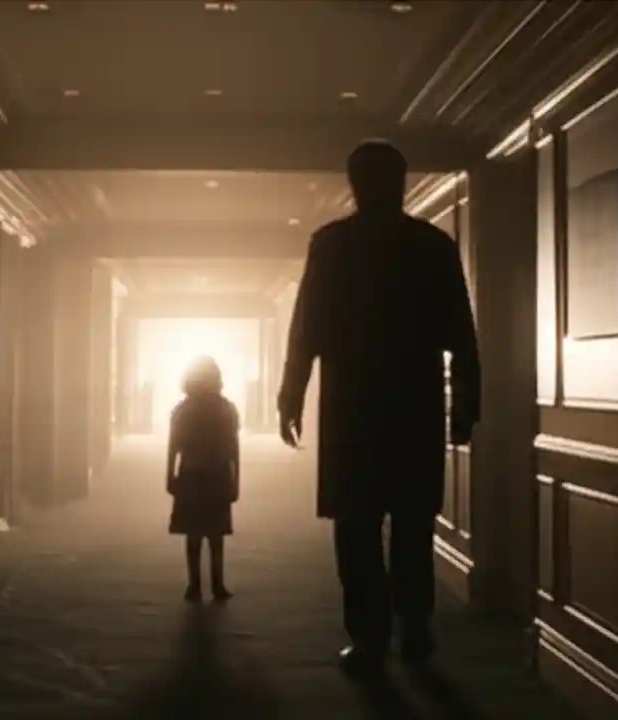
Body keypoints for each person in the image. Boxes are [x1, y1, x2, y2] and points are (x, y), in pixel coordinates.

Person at [277, 140, 480, 677]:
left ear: (353, 184)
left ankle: (369, 637)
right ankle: (415, 629)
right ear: (404, 181)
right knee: (414, 525)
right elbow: (461, 331)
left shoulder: (332, 244)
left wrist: (291, 394)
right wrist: (465, 404)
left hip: (352, 407)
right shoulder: (432, 244)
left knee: (356, 527)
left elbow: (307, 327)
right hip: (415, 404)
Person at [167, 355, 241, 602]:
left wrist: (170, 475)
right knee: (216, 534)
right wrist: (236, 479)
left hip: (191, 474)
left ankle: (194, 585)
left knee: (193, 534)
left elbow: (173, 447)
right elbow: (233, 448)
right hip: (217, 474)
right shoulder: (226, 408)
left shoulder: (183, 410)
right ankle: (217, 584)